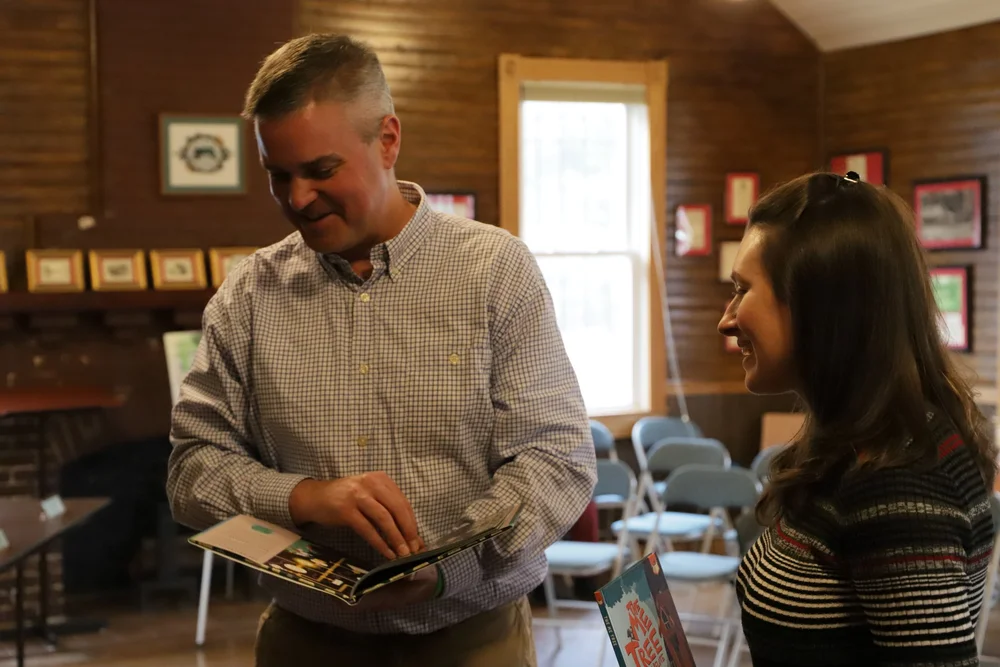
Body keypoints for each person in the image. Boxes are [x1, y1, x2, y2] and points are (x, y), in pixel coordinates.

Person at [165, 32, 597, 666]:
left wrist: (448, 569)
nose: (297, 199)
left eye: (321, 171)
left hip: (473, 640)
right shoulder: (249, 295)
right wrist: (307, 498)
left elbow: (555, 457)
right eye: (278, 175)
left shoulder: (494, 271)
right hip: (305, 642)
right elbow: (192, 472)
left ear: (388, 140)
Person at [718, 170, 997, 666]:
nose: (727, 319)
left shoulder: (898, 481)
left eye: (743, 289)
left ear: (817, 307)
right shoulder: (856, 442)